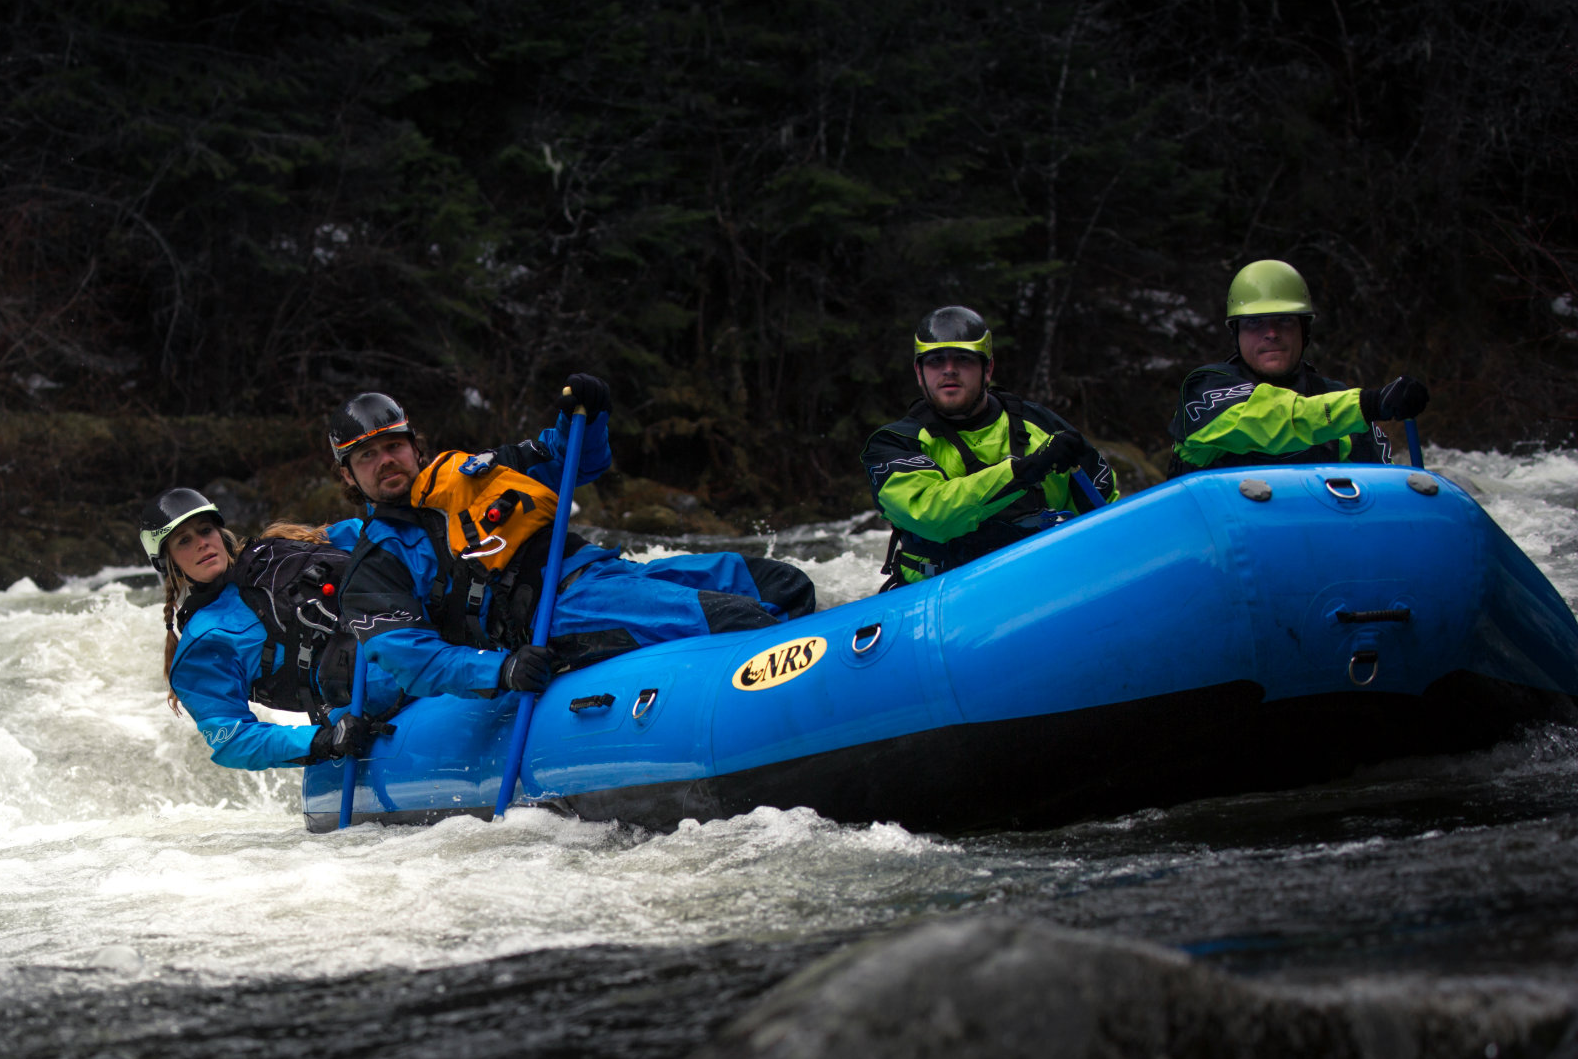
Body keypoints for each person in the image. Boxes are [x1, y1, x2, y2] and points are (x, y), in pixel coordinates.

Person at [333, 380, 817, 701]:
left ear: (415, 447)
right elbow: (407, 654)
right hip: (551, 615)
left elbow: (574, 461)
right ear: (350, 478)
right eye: (367, 456)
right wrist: (499, 671)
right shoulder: (377, 560)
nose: (386, 461)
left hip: (605, 572)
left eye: (393, 446)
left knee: (780, 584)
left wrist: (586, 411)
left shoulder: (479, 470)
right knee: (738, 620)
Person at [859, 306, 1117, 587]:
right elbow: (932, 514)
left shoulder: (1042, 425)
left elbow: (1105, 511)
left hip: (1041, 585)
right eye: (935, 361)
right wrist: (1024, 471)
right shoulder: (893, 443)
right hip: (939, 596)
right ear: (919, 373)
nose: (949, 370)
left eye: (963, 359)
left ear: (988, 368)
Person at [142, 488, 396, 770]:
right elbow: (233, 739)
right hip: (366, 700)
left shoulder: (283, 547)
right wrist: (322, 740)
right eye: (184, 541)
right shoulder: (204, 643)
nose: (202, 543)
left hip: (412, 643)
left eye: (205, 530)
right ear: (168, 562)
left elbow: (372, 536)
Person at [1169, 259, 1427, 473]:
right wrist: (1367, 405)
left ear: (1304, 331)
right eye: (1255, 323)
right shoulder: (1205, 389)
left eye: (1284, 320)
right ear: (1236, 333)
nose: (1271, 333)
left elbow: (1385, 490)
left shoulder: (1337, 400)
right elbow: (1268, 420)